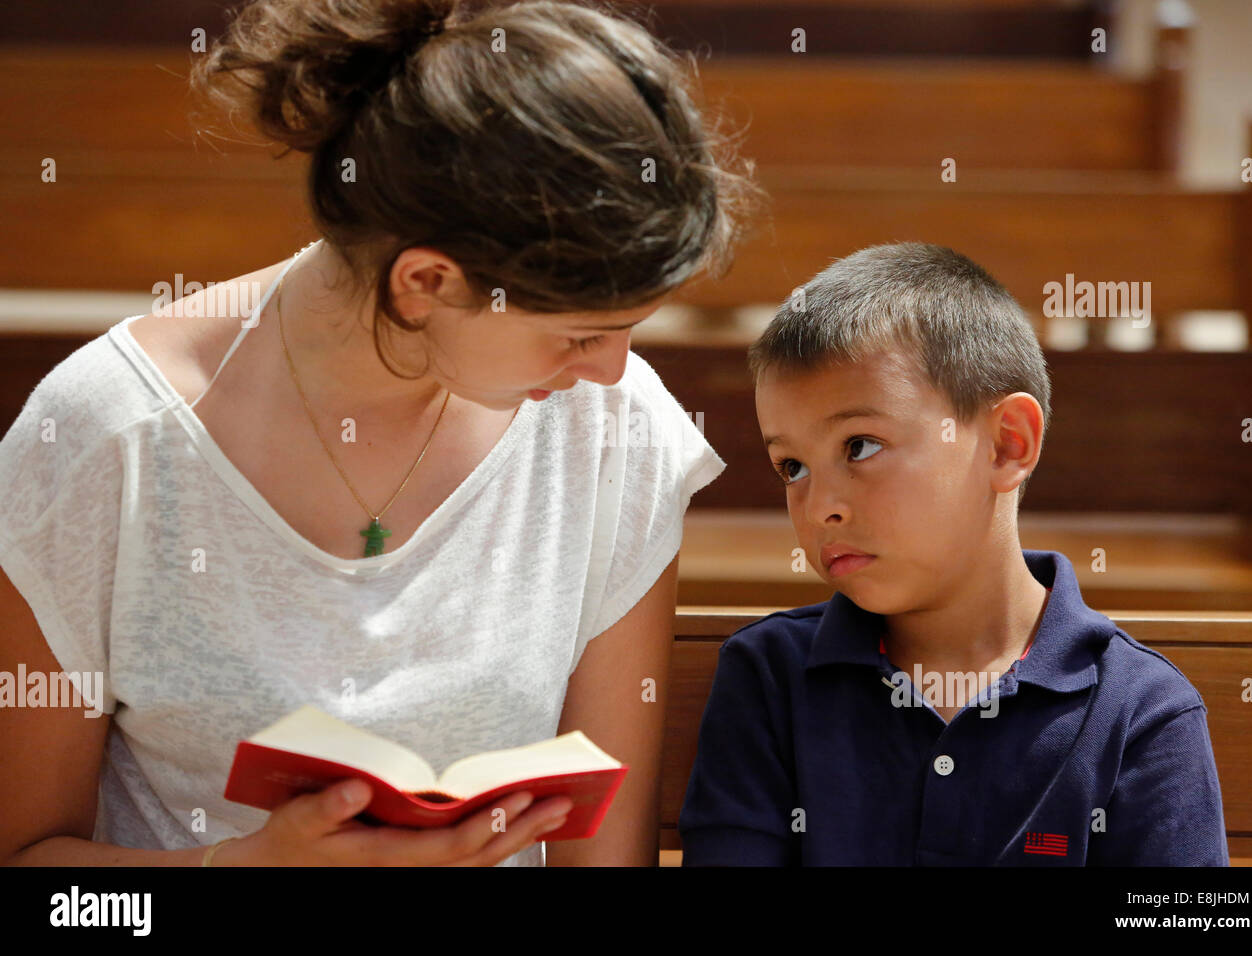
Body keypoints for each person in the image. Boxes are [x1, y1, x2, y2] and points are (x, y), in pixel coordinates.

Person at [0, 0, 762, 866]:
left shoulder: (613, 433)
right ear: (425, 283)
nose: (614, 372)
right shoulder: (108, 436)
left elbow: (601, 858)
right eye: (582, 333)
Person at [678, 243, 1231, 866]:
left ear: (1005, 445)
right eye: (792, 466)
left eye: (859, 446)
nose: (819, 506)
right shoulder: (769, 678)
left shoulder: (1142, 711)